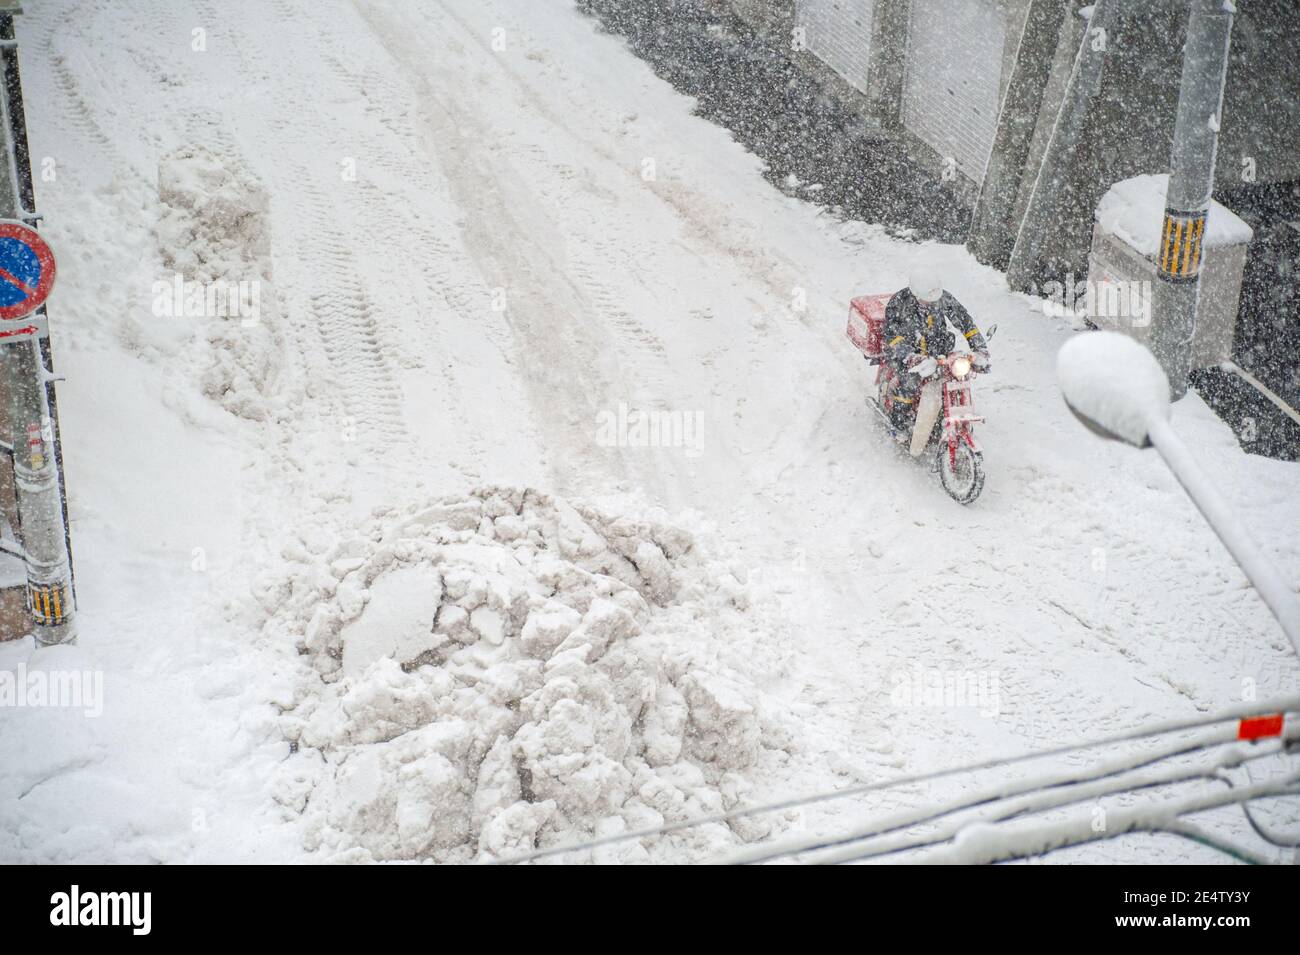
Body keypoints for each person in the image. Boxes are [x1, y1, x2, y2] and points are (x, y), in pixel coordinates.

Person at [882, 268, 989, 433]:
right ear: (916, 294)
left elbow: (965, 322)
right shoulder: (899, 303)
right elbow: (892, 336)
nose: (932, 303)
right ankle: (899, 424)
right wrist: (911, 357)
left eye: (934, 300)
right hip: (909, 355)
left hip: (937, 350)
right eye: (927, 300)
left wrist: (979, 348)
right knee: (908, 384)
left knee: (955, 378)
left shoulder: (942, 298)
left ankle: (946, 414)